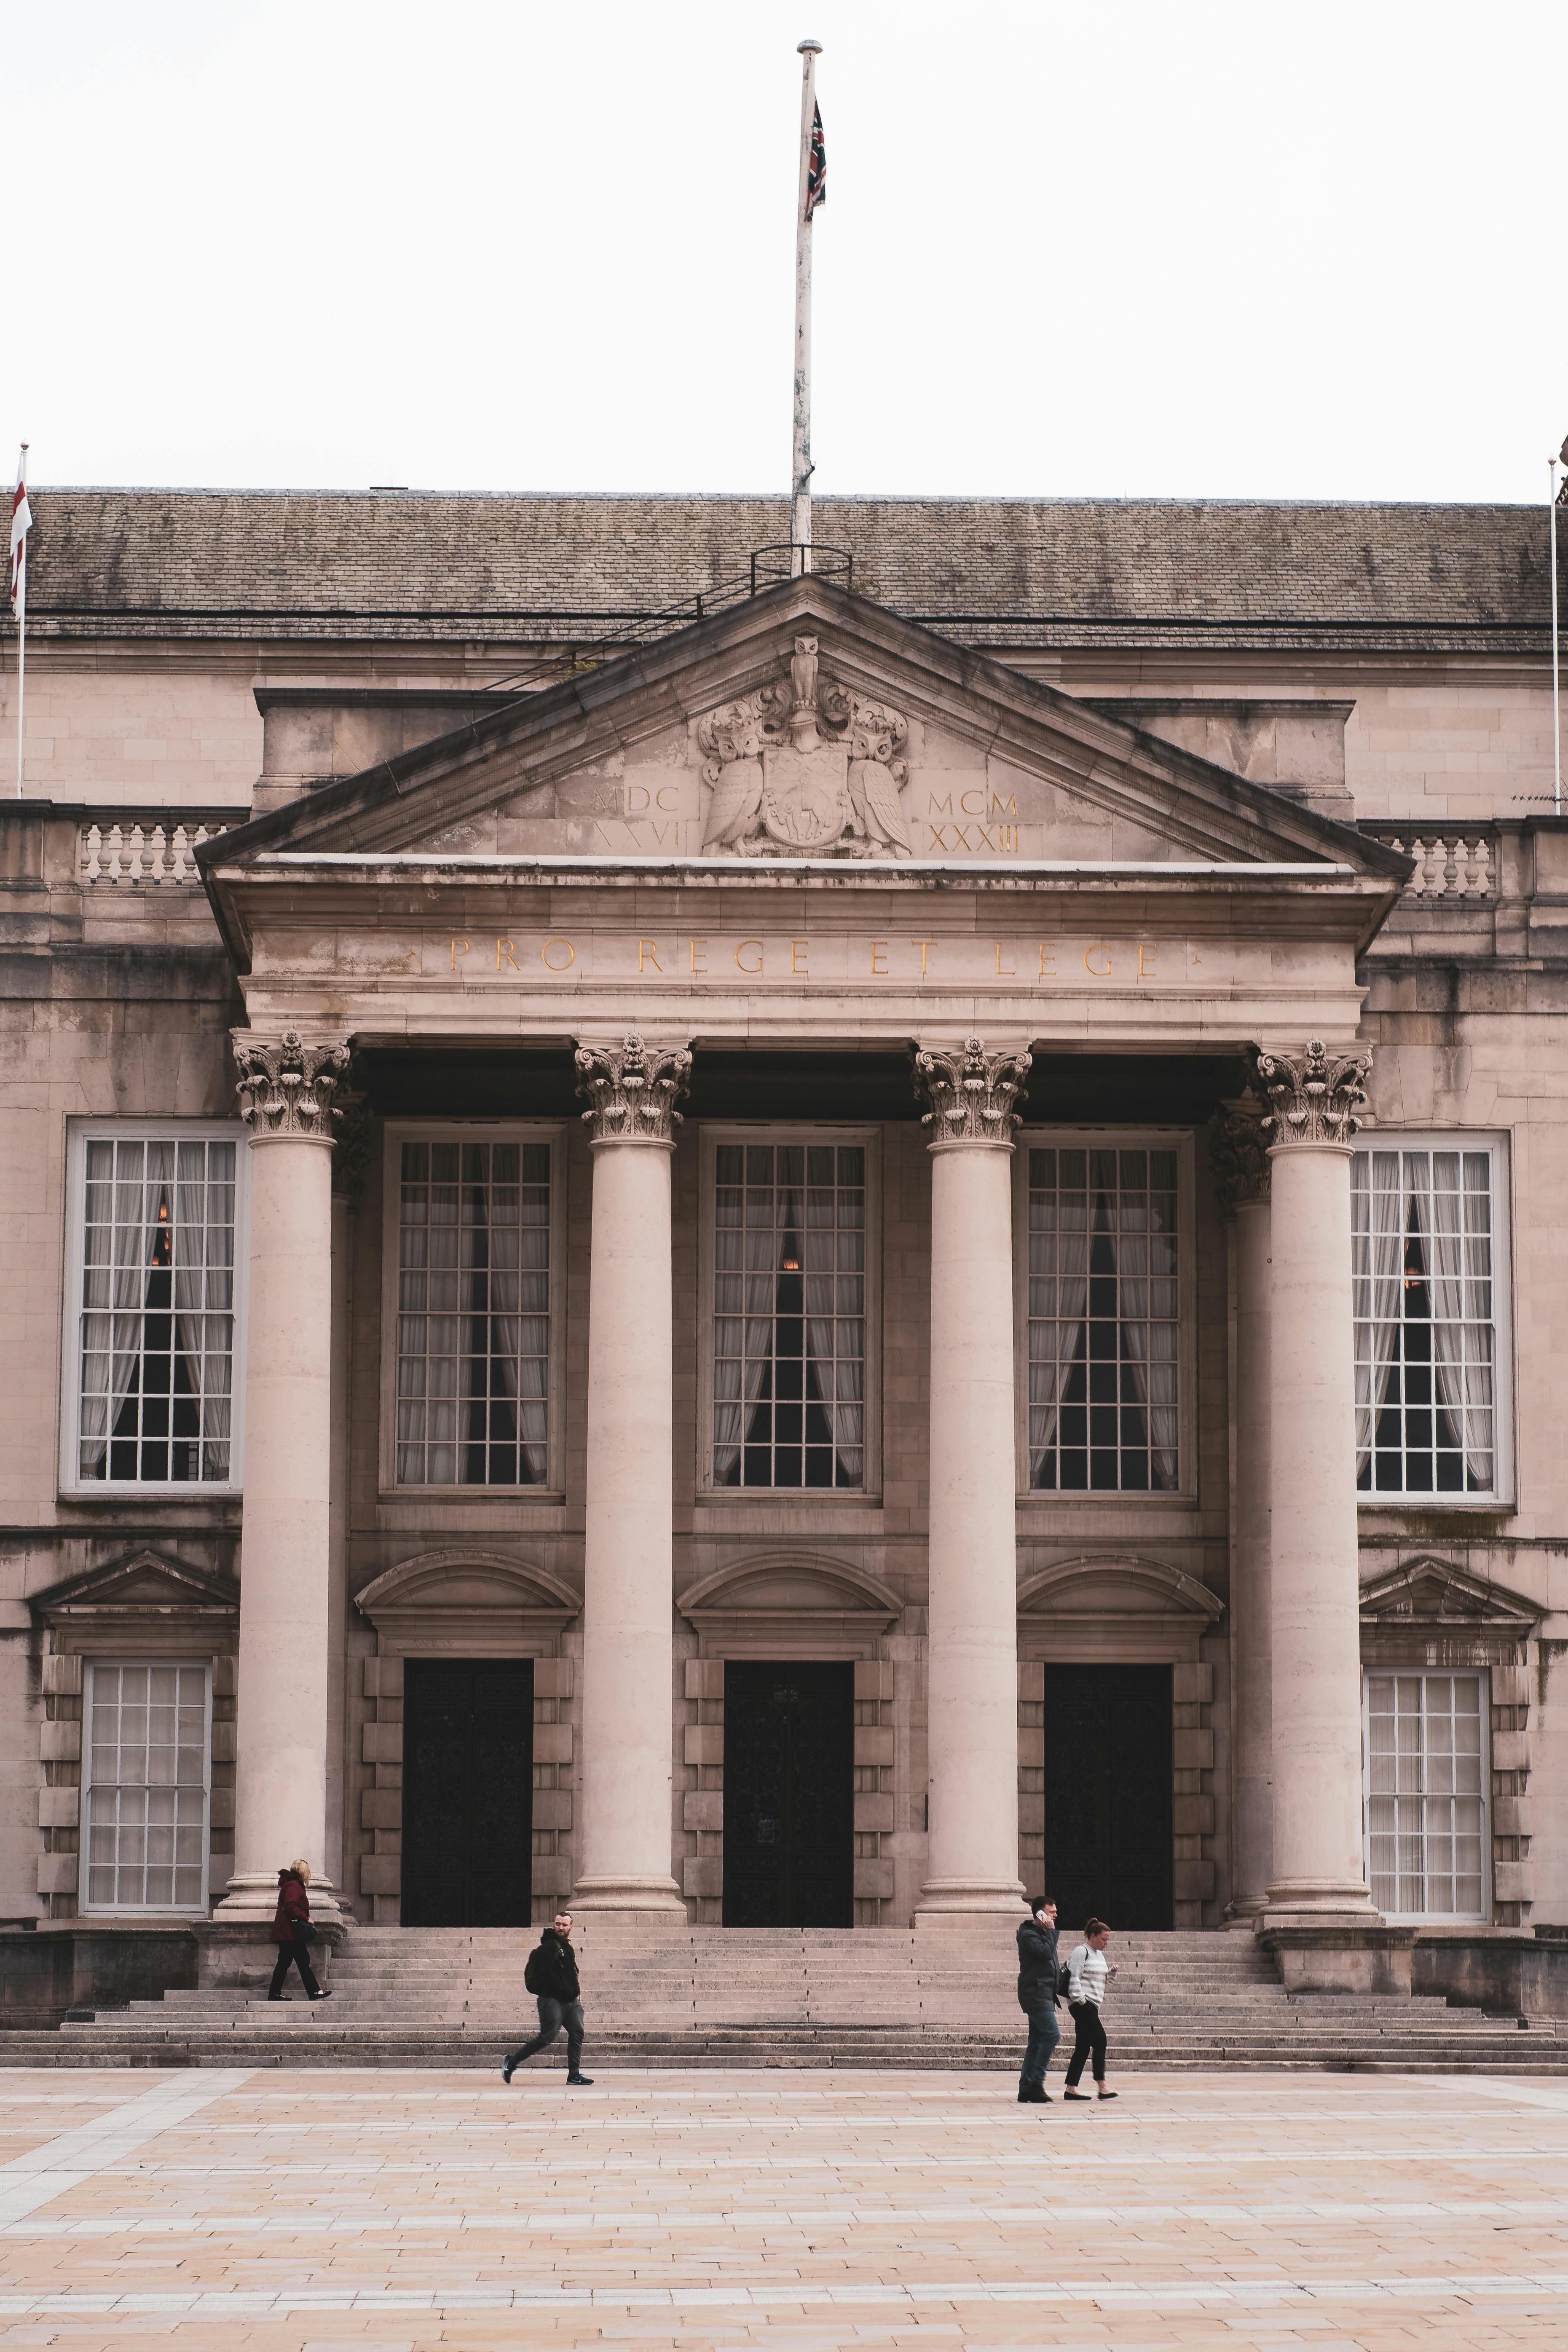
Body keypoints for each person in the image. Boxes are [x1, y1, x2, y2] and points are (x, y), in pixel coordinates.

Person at [502, 1910, 593, 2086]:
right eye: (558, 1924)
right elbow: (546, 1972)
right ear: (554, 1924)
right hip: (552, 2000)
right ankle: (511, 2063)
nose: (561, 1927)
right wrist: (561, 1989)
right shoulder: (550, 1946)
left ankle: (574, 2075)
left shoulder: (567, 1946)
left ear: (571, 1927)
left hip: (571, 2002)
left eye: (565, 1925)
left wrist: (575, 1992)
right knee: (547, 2036)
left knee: (577, 2032)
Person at [1062, 1917, 1117, 2100]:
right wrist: (1081, 2000)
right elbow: (1075, 1977)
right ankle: (1102, 2086)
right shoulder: (1081, 1951)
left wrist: (1112, 1973)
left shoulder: (1099, 1955)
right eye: (1104, 1939)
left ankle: (1070, 2089)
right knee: (1100, 2040)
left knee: (1083, 2047)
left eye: (1108, 1940)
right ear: (1093, 1936)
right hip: (1082, 2004)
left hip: (1093, 2004)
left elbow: (1103, 1981)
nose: (1106, 1943)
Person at [1015, 1895, 1061, 2103]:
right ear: (1040, 1914)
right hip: (1035, 1993)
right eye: (1052, 1912)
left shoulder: (1042, 1934)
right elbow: (1046, 1953)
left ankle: (1026, 2088)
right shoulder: (1028, 1935)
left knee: (1036, 2041)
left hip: (1045, 1992)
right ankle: (1036, 2083)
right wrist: (1051, 1932)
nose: (1055, 1916)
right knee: (1052, 2035)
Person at [268, 1859, 332, 2002]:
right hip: (291, 1932)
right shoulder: (294, 1885)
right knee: (301, 1961)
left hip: (288, 1932)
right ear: (304, 1872)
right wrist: (306, 1918)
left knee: (286, 1963)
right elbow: (290, 1906)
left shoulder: (291, 1884)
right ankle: (314, 1991)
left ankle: (275, 1993)